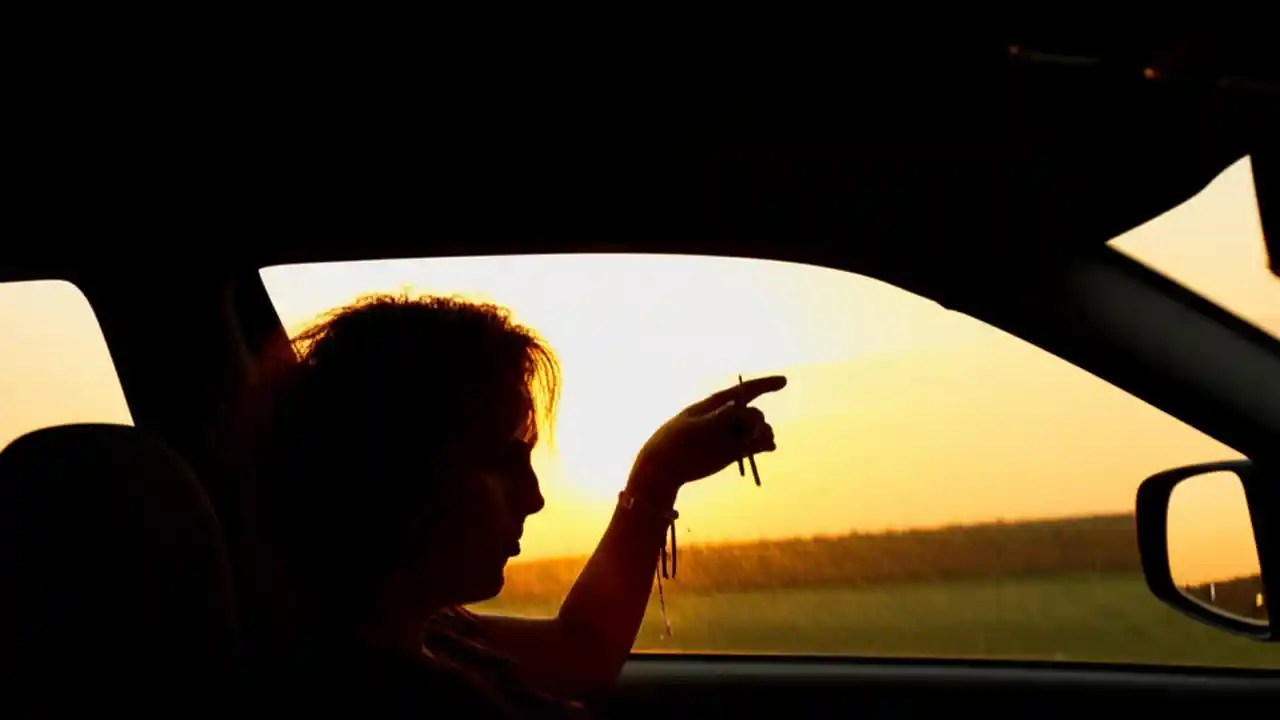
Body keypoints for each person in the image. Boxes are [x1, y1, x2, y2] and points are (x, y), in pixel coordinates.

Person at [226, 292, 784, 718]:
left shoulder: (425, 632)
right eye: (501, 459)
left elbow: (581, 649)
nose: (535, 498)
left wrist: (657, 475)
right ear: (399, 467)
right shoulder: (391, 693)